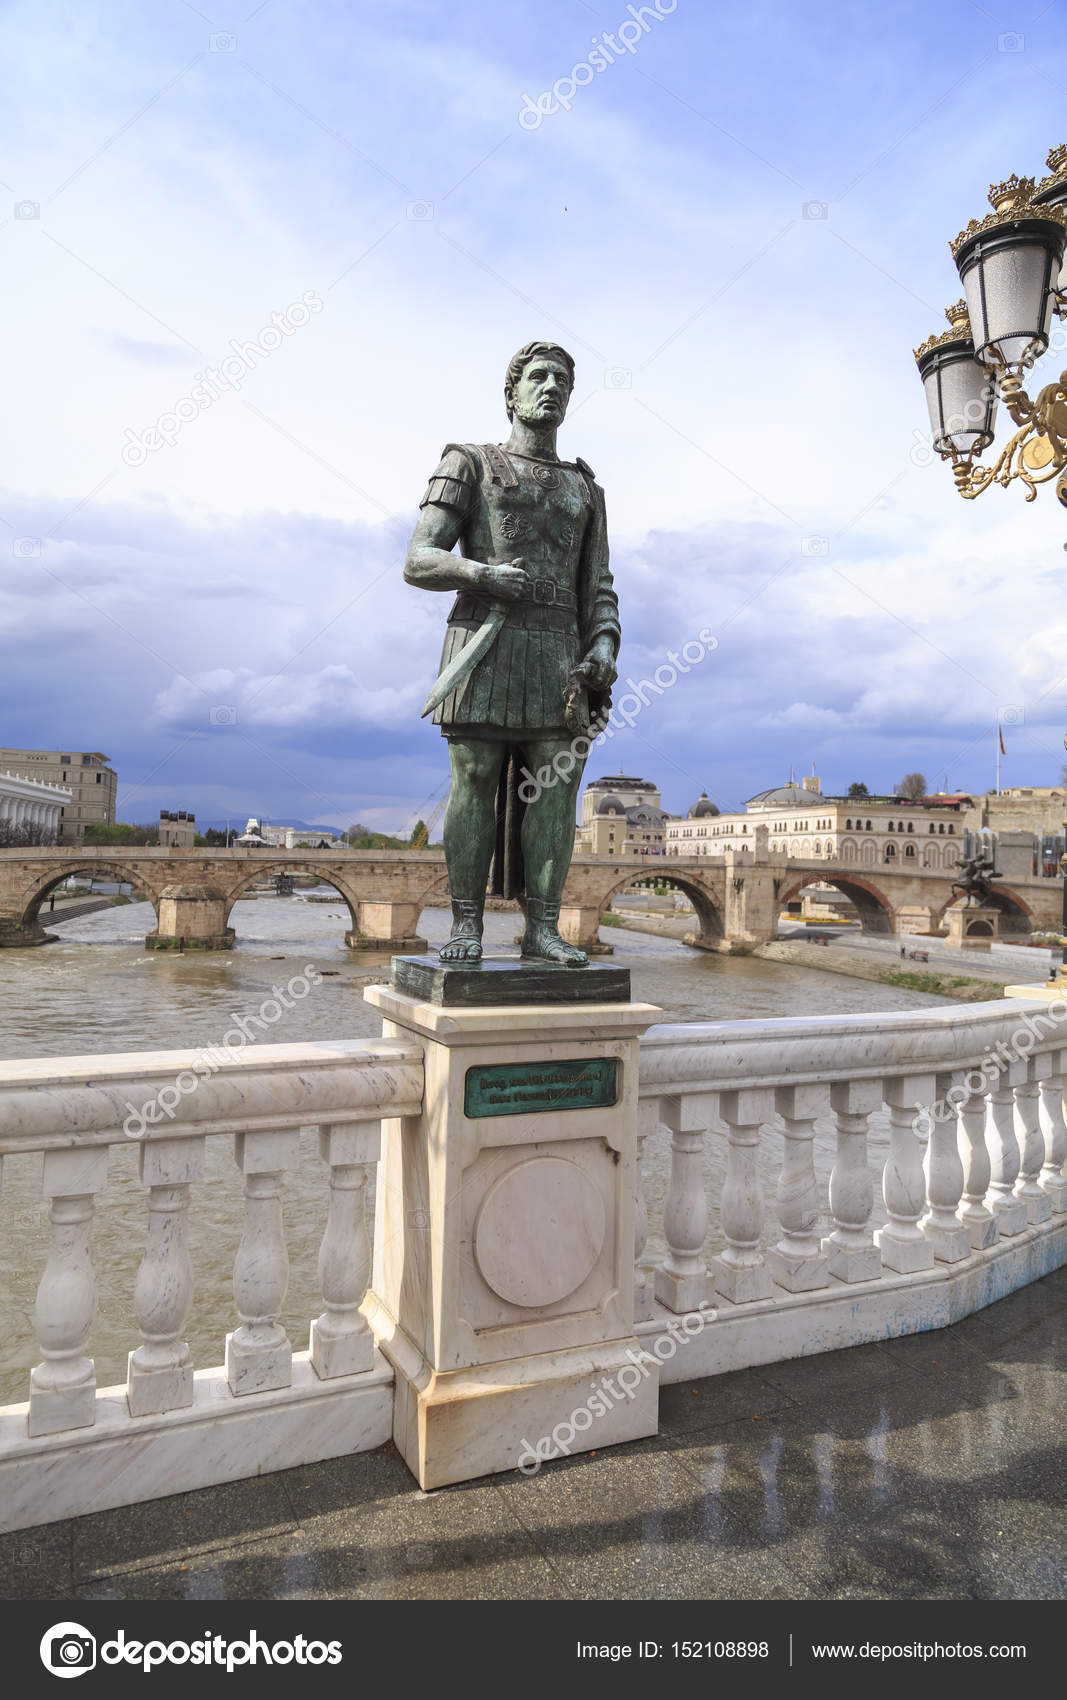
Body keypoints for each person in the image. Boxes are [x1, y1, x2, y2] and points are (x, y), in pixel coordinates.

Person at [404, 341, 620, 965]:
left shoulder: (587, 488)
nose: (550, 386)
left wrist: (604, 643)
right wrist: (482, 574)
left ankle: (543, 929)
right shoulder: (467, 462)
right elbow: (418, 559)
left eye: (562, 380)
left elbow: (599, 584)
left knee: (556, 791)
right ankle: (465, 928)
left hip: (560, 654)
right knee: (473, 781)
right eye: (538, 376)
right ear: (513, 392)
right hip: (485, 638)